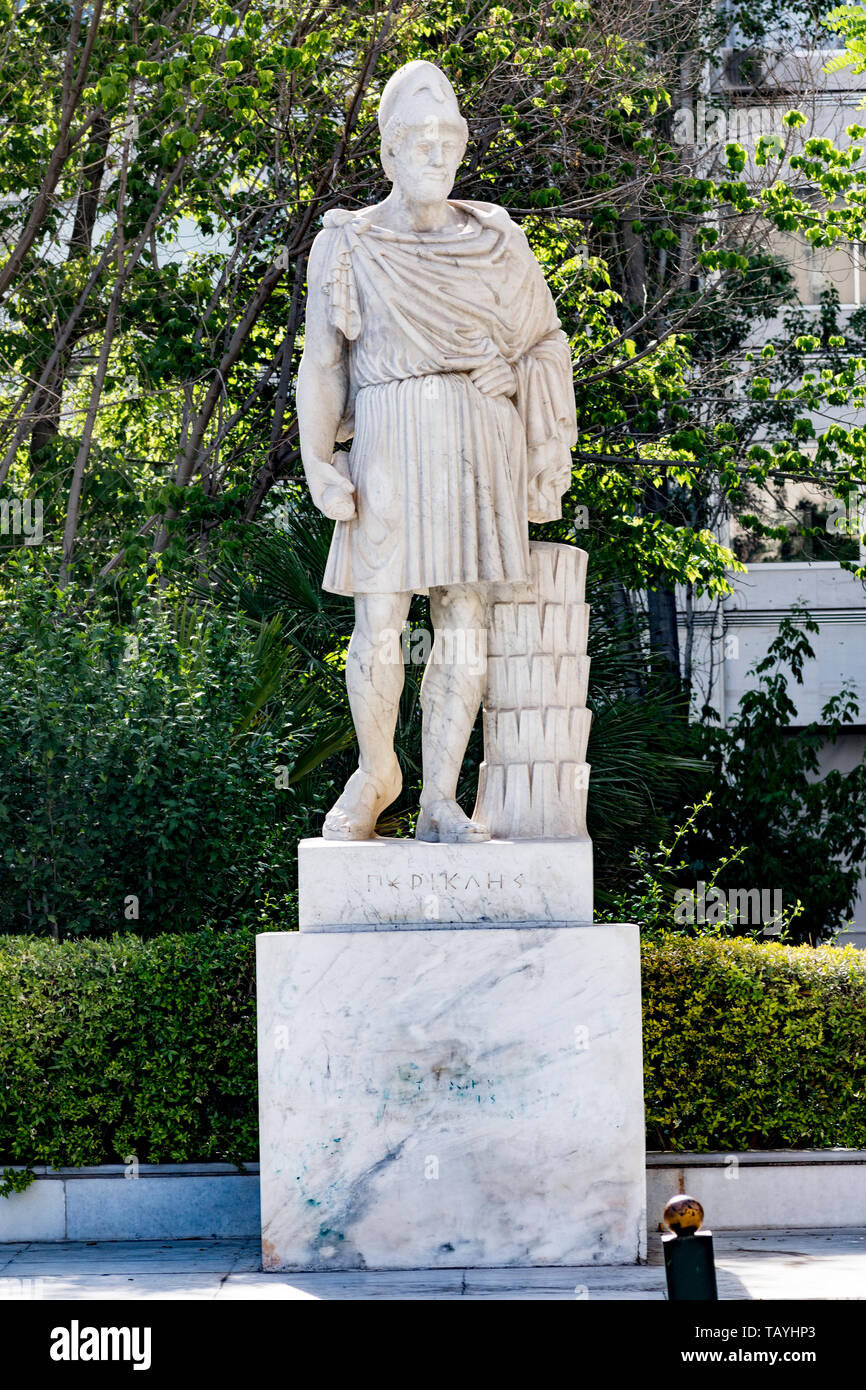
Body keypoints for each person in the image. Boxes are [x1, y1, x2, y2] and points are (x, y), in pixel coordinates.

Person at [297, 60, 577, 842]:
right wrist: (320, 460)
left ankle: (439, 800)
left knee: (462, 619)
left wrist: (516, 372)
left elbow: (545, 342)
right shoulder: (350, 245)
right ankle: (376, 769)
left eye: (446, 141)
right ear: (387, 154)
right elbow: (321, 363)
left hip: (476, 438)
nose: (434, 155)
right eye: (417, 142)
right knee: (380, 620)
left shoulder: (496, 242)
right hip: (388, 432)